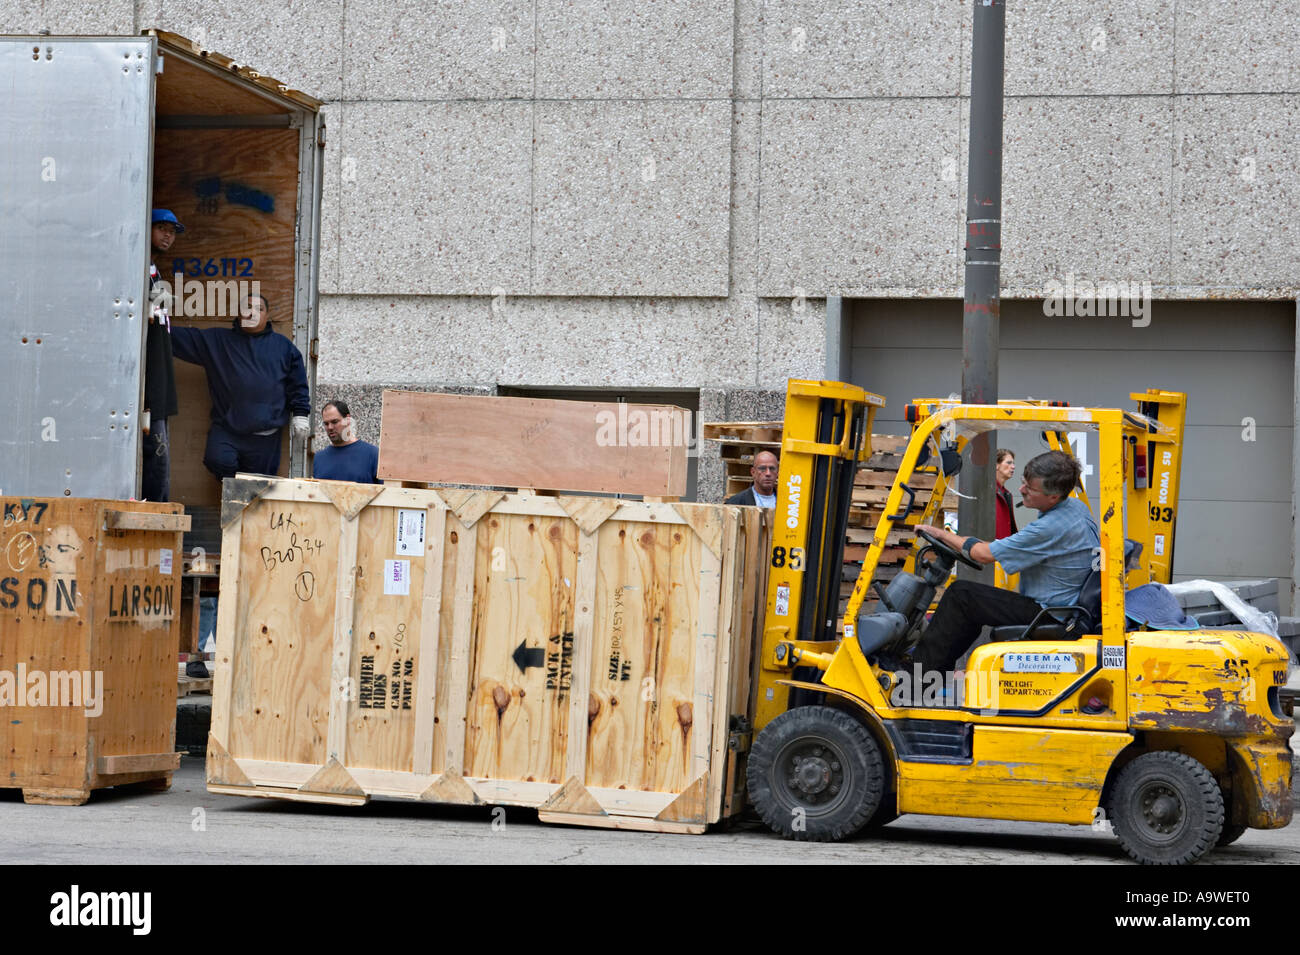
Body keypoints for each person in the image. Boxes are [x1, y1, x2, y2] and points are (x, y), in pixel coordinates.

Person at [910, 450, 1098, 674]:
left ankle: (915, 676)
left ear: (1053, 497)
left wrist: (939, 534)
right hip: (1065, 607)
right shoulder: (1075, 508)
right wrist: (962, 542)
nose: (1021, 490)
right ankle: (937, 671)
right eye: (1023, 482)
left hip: (1051, 613)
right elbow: (996, 547)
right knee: (975, 601)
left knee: (962, 596)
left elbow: (982, 554)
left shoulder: (1050, 527)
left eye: (1030, 489)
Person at [171, 293, 311, 481]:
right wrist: (153, 323)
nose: (252, 313)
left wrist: (301, 414)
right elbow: (177, 337)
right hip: (227, 429)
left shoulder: (283, 347)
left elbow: (298, 383)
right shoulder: (218, 341)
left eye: (259, 309)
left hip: (266, 435)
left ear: (267, 315)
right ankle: (231, 487)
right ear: (239, 314)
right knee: (217, 460)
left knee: (257, 490)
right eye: (247, 308)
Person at [141, 209, 183, 501]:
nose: (168, 235)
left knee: (160, 461)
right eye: (162, 228)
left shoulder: (155, 273)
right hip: (147, 389)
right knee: (156, 461)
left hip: (159, 384)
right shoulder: (138, 269)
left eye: (173, 230)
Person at [313, 399, 380, 484]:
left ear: (348, 420)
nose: (330, 427)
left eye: (334, 422)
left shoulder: (373, 455)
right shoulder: (317, 459)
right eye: (326, 424)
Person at [994, 448, 1017, 539]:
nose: (1013, 466)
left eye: (1013, 463)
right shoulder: (986, 491)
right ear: (996, 465)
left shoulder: (1006, 494)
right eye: (1009, 463)